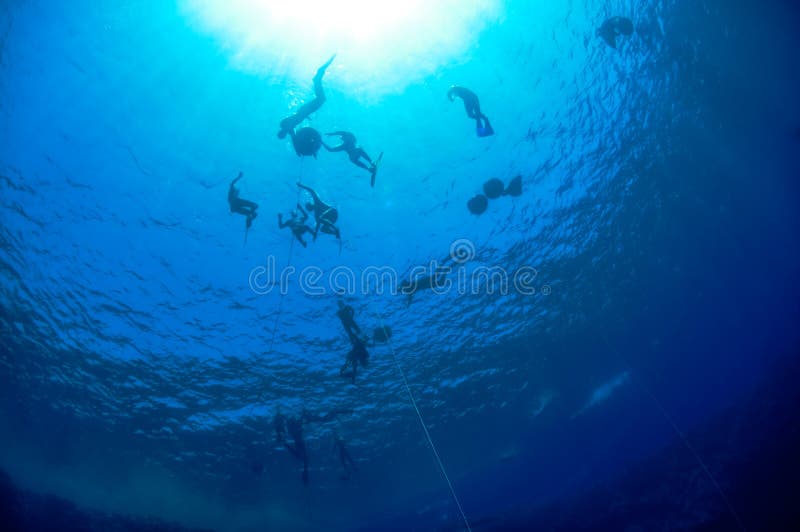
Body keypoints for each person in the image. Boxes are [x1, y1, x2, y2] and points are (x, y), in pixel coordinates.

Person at [278, 55, 336, 141]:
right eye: (284, 135)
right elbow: (294, 138)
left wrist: (303, 115)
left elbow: (294, 118)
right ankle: (317, 79)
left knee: (321, 99)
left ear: (281, 132)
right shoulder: (290, 130)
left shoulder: (283, 124)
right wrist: (298, 150)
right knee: (322, 99)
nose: (285, 133)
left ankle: (317, 79)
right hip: (305, 111)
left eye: (283, 133)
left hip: (304, 110)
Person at [297, 183, 342, 249]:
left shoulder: (316, 201)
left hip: (333, 212)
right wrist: (315, 234)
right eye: (308, 209)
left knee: (320, 218)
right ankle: (335, 233)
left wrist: (301, 186)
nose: (309, 210)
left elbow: (311, 191)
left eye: (308, 207)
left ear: (310, 204)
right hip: (331, 219)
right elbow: (317, 226)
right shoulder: (316, 214)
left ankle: (335, 229)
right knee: (322, 228)